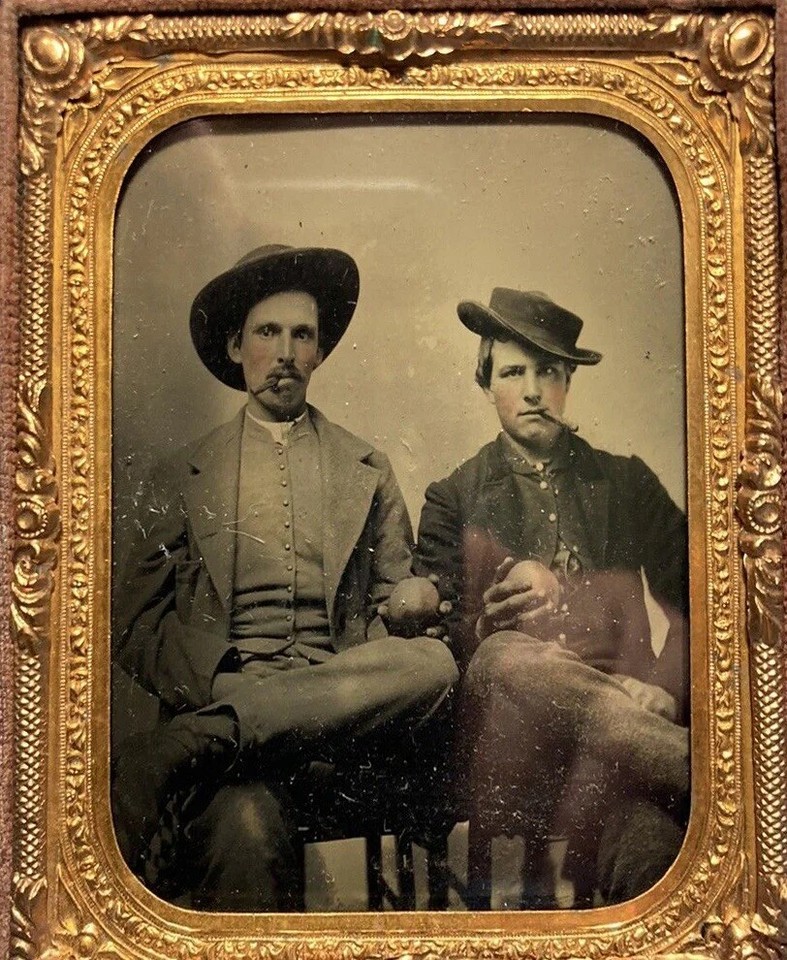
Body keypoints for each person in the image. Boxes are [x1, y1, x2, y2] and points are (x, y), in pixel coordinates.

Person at [112, 244, 458, 911]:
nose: (286, 352)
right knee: (243, 827)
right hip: (238, 722)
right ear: (236, 347)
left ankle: (205, 733)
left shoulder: (368, 465)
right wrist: (221, 679)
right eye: (267, 333)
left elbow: (391, 601)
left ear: (319, 353)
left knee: (434, 665)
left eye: (302, 335)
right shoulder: (181, 475)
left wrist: (410, 604)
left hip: (339, 730)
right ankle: (225, 725)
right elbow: (136, 623)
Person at [414, 287, 690, 906]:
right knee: (508, 657)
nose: (534, 390)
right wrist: (482, 630)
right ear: (487, 382)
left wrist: (665, 687)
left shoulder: (625, 481)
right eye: (514, 371)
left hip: (619, 759)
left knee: (654, 858)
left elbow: (701, 600)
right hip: (509, 743)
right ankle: (709, 771)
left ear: (568, 384)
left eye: (549, 372)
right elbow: (431, 645)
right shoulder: (452, 497)